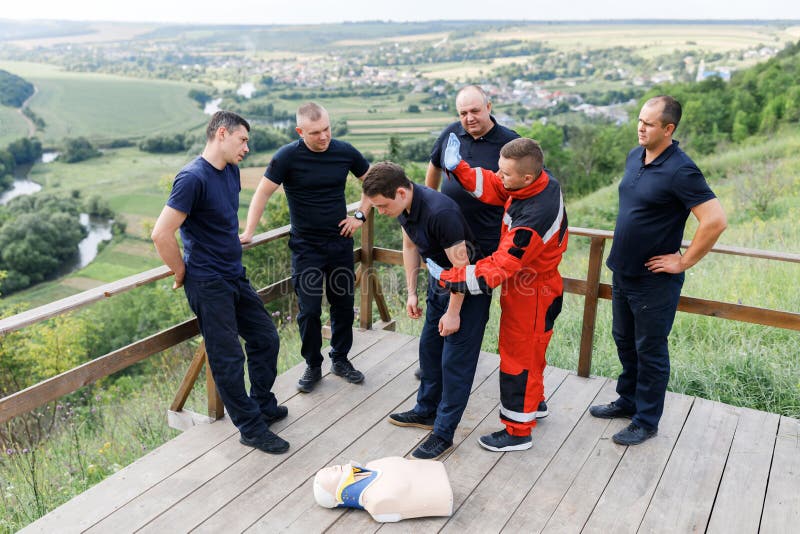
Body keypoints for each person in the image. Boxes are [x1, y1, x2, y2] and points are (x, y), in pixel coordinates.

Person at [588, 95, 727, 446]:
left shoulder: (682, 169)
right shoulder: (636, 155)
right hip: (623, 272)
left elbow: (715, 220)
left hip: (655, 281)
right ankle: (628, 400)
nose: (640, 127)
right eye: (639, 120)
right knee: (624, 341)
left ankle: (646, 421)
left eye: (649, 124)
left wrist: (683, 261)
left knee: (650, 349)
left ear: (669, 128)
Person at [151, 110, 289, 454]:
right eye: (243, 140)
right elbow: (161, 233)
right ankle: (251, 427)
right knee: (227, 357)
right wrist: (181, 271)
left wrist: (235, 239)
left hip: (233, 274)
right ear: (222, 133)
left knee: (265, 337)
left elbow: (222, 220)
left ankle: (261, 404)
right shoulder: (191, 178)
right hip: (208, 281)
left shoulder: (231, 171)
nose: (246, 147)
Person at [431, 134, 568, 452]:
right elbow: (494, 184)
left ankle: (518, 430)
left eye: (506, 173)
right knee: (533, 352)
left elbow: (502, 264)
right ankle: (534, 404)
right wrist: (460, 168)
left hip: (533, 292)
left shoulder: (532, 220)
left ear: (526, 177)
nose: (499, 176)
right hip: (534, 287)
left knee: (518, 357)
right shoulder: (537, 182)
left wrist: (457, 277)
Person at [362, 162, 492, 460]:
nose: (380, 213)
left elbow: (462, 267)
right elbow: (410, 247)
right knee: (430, 349)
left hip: (468, 287)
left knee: (454, 361)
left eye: (382, 206)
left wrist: (454, 312)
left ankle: (443, 433)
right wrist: (411, 292)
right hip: (439, 281)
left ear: (400, 192)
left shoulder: (439, 213)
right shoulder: (403, 207)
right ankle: (426, 411)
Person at [240, 102, 370, 393]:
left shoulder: (344, 151)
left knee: (343, 306)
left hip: (339, 243)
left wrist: (360, 215)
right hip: (306, 248)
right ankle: (313, 364)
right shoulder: (287, 157)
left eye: (327, 129)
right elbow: (262, 192)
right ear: (300, 131)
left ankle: (341, 359)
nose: (324, 136)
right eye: (315, 132)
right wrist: (249, 231)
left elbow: (372, 181)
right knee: (309, 311)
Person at [416, 84, 519, 380]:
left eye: (475, 110)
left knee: (467, 319)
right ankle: (432, 370)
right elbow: (434, 167)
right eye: (463, 113)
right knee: (437, 310)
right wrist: (427, 201)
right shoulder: (451, 134)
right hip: (444, 242)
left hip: (483, 248)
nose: (469, 118)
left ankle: (455, 377)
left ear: (489, 106)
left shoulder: (510, 143)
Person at [313, 457, 453, 522]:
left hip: (434, 471)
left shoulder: (375, 465)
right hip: (444, 496)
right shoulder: (376, 502)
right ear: (337, 497)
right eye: (329, 474)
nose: (333, 467)